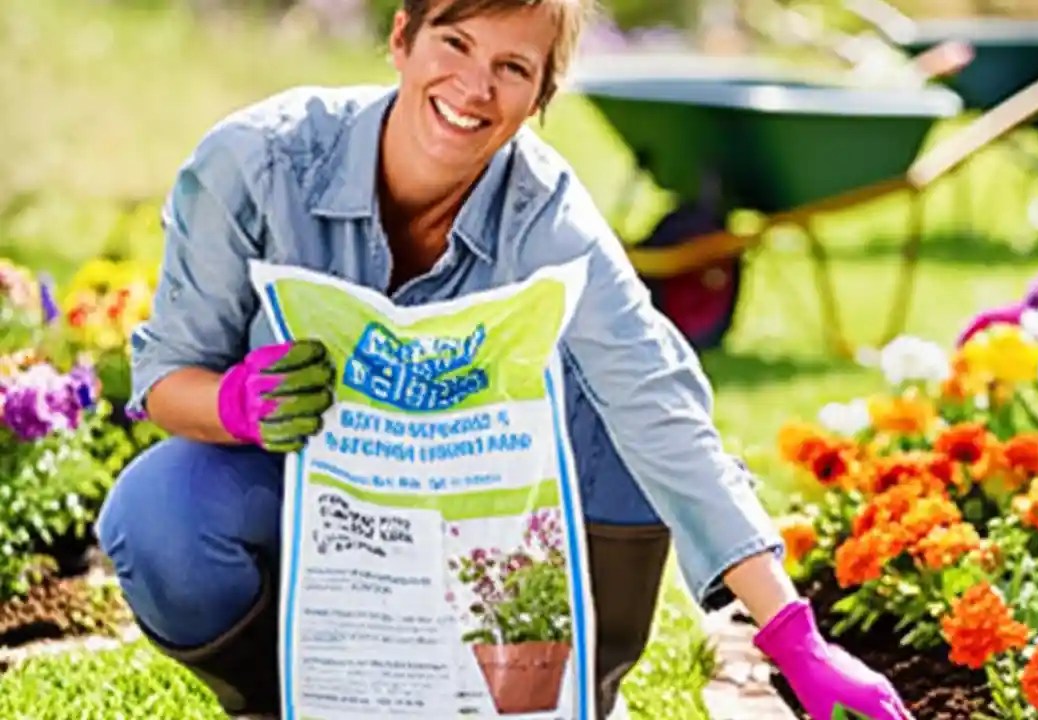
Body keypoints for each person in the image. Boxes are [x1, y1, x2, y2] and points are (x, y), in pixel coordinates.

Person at [94, 1, 914, 719]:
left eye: (512, 67)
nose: (474, 88)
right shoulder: (256, 163)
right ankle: (288, 698)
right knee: (156, 511)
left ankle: (561, 696)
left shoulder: (548, 219)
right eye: (453, 43)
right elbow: (167, 380)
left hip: (484, 512)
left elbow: (660, 410)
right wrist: (236, 405)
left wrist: (794, 639)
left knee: (630, 402)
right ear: (403, 39)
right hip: (318, 498)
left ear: (538, 99)